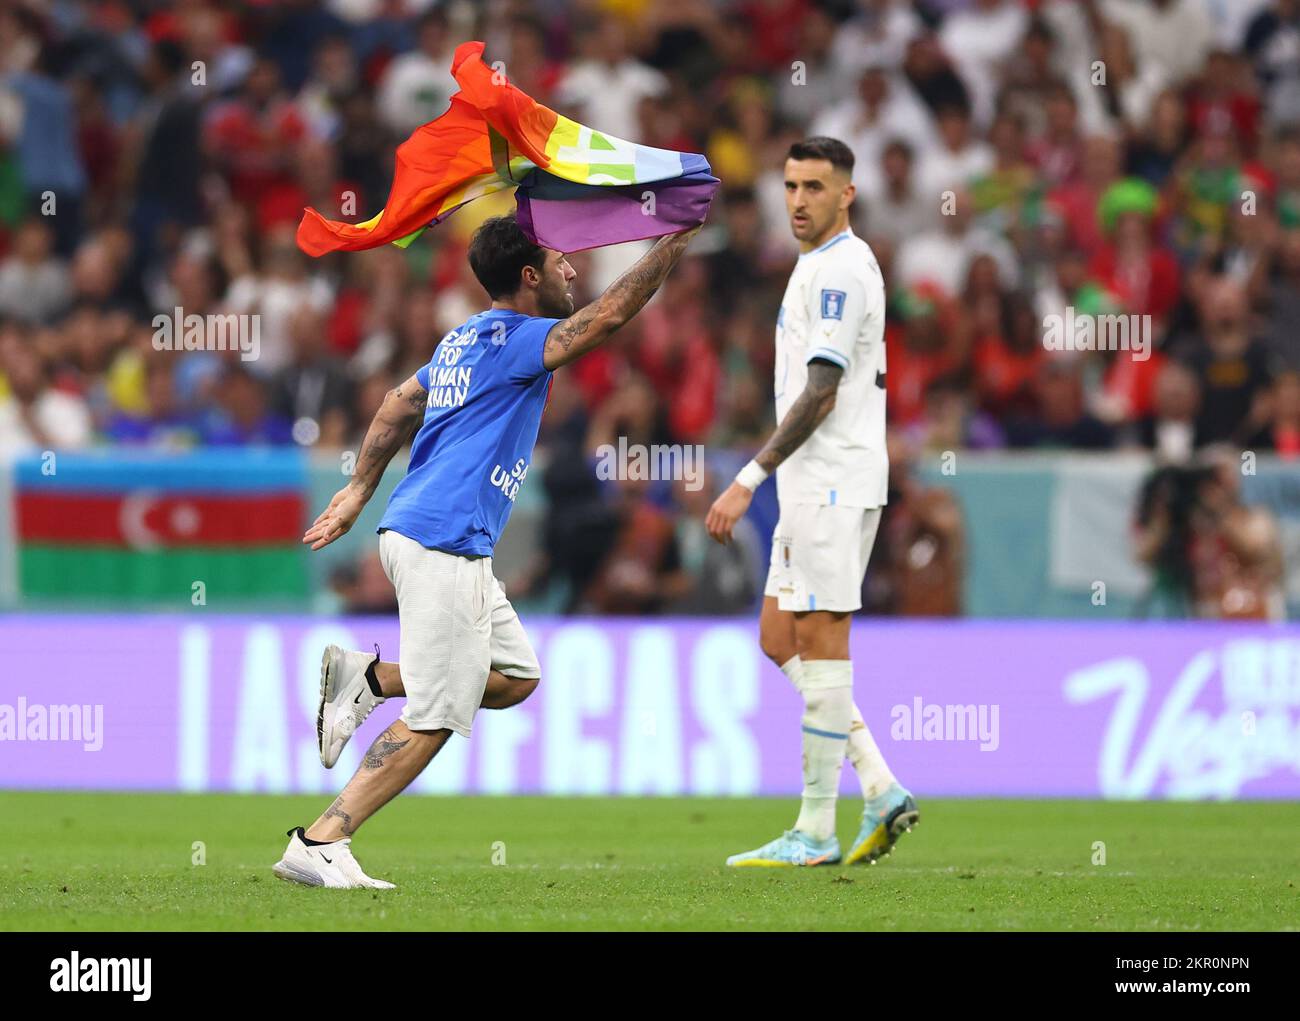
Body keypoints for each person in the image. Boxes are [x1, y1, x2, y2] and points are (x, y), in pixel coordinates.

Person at [272, 214, 701, 889]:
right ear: (528, 277)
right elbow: (612, 314)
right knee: (438, 716)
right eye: (561, 261)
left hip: (425, 533)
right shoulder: (522, 339)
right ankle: (323, 838)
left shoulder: (461, 338)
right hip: (444, 538)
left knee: (515, 676)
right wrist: (673, 240)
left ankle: (371, 678)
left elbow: (394, 403)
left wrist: (359, 489)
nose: (572, 270)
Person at [705, 137, 917, 868]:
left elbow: (821, 393)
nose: (799, 200)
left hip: (831, 478)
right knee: (778, 634)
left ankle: (817, 829)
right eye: (791, 185)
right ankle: (882, 785)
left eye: (815, 187)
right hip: (810, 484)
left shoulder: (843, 272)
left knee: (824, 639)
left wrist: (749, 477)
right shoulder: (813, 266)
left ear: (846, 195)